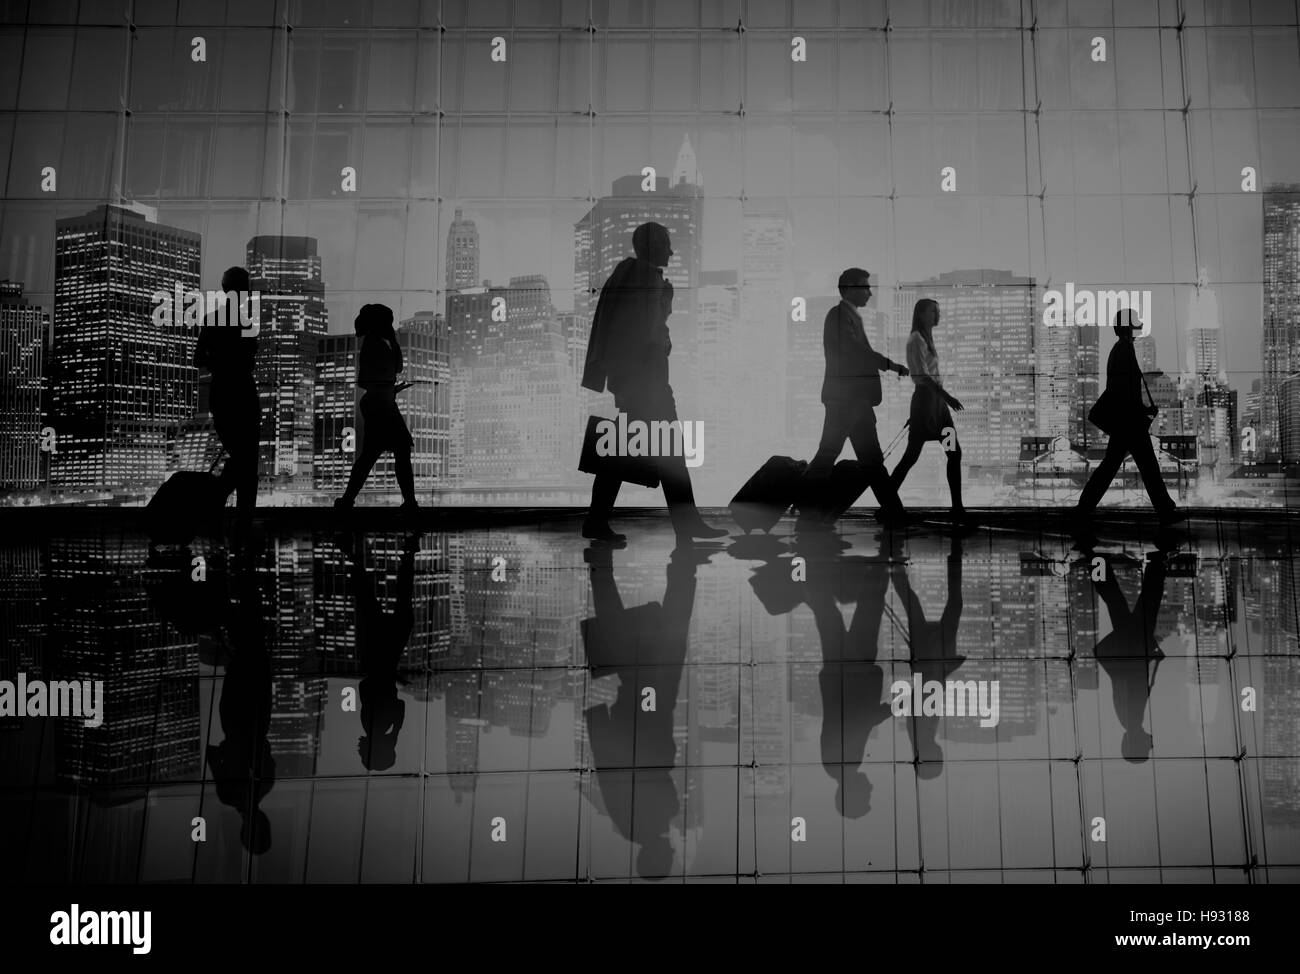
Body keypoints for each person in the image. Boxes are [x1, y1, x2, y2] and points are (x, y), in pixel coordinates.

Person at [580, 222, 726, 545]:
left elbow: (635, 330)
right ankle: (685, 524)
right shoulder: (644, 278)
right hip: (647, 384)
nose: (671, 251)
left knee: (624, 453)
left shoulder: (629, 275)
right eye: (667, 243)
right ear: (652, 245)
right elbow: (651, 337)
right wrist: (665, 302)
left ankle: (597, 520)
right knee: (666, 454)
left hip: (637, 383)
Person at [799, 268, 909, 525]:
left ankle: (894, 512)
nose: (870, 292)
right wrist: (890, 364)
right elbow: (856, 351)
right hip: (845, 401)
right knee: (832, 455)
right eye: (864, 287)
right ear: (847, 289)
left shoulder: (849, 317)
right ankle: (808, 511)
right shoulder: (839, 316)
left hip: (854, 401)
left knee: (868, 459)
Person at [1072, 309, 1185, 525]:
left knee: (1112, 467)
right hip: (1130, 423)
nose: (1138, 328)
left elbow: (1120, 389)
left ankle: (1083, 509)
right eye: (1135, 324)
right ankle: (1165, 511)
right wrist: (1141, 411)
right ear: (1128, 327)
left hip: (1126, 422)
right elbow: (1124, 390)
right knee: (1147, 467)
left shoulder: (1121, 348)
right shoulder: (1124, 349)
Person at [194, 266, 262, 539]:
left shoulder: (212, 321)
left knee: (241, 459)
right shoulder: (247, 323)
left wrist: (219, 363)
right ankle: (238, 515)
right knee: (248, 462)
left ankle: (217, 501)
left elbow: (199, 360)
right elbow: (248, 361)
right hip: (244, 395)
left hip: (223, 395)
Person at [335, 304, 419, 519]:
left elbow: (397, 368)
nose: (391, 324)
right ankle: (408, 503)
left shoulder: (386, 343)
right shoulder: (373, 343)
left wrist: (390, 388)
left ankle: (347, 501)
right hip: (379, 405)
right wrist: (385, 387)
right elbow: (364, 379)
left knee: (377, 454)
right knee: (384, 453)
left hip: (383, 403)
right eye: (388, 320)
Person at [888, 299, 967, 523]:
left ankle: (957, 507)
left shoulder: (925, 338)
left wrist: (942, 400)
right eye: (934, 311)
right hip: (927, 405)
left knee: (953, 453)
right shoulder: (916, 340)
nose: (938, 314)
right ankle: (888, 502)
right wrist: (947, 397)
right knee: (911, 456)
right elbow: (921, 377)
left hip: (936, 407)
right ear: (922, 314)